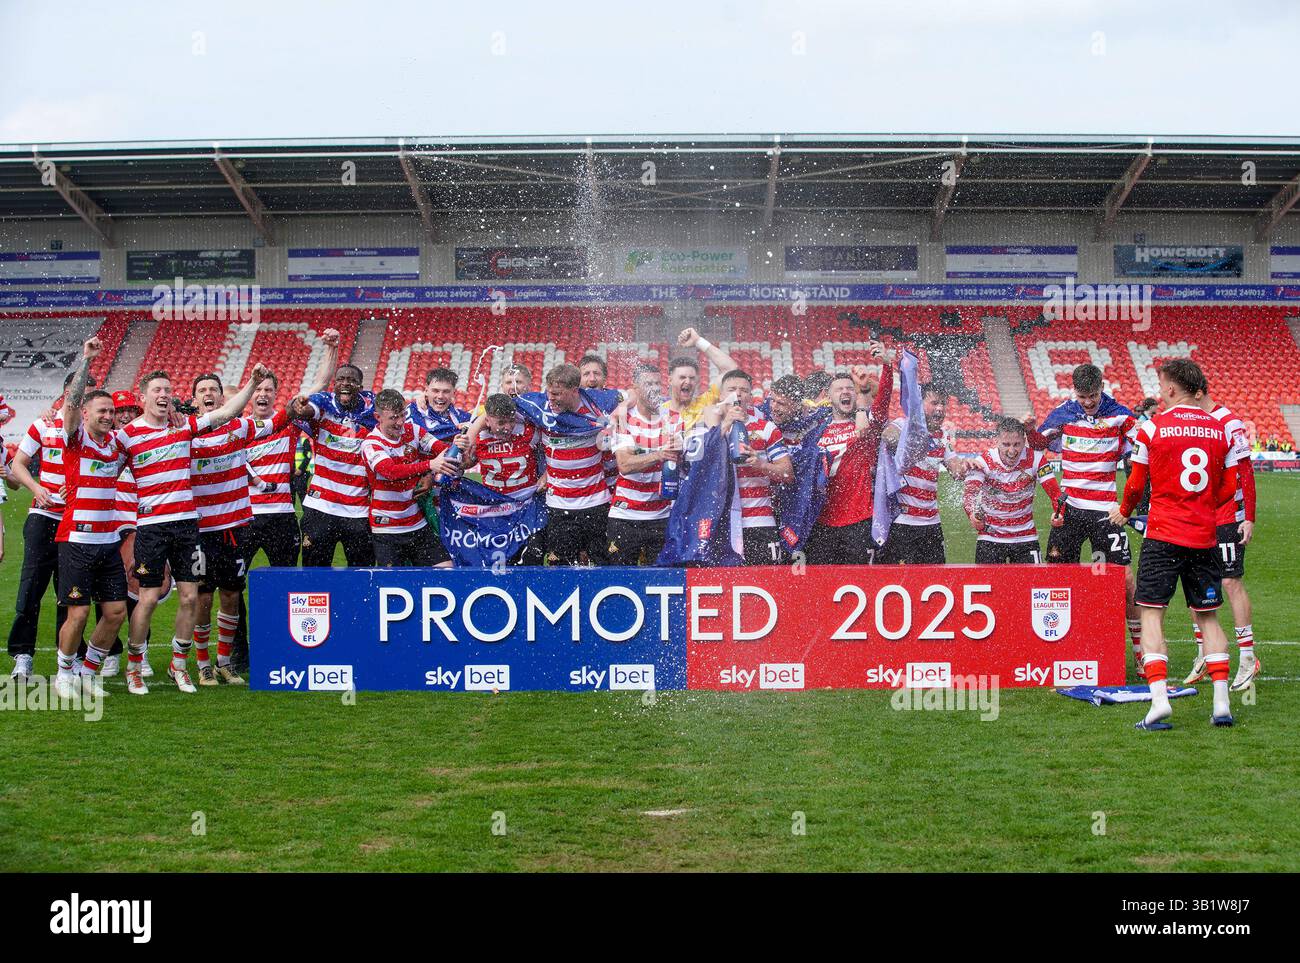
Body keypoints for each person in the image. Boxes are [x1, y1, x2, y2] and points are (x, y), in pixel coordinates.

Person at [116, 363, 266, 694]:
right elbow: (103, 468)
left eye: (167, 391)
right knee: (149, 598)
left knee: (189, 598)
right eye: (156, 390)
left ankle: (179, 666)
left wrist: (253, 383)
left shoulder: (184, 429)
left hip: (186, 526)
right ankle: (134, 667)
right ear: (144, 396)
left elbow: (227, 412)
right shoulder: (127, 436)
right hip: (152, 527)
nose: (163, 395)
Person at [1109, 359, 1244, 729]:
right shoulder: (1221, 430)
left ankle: (1158, 703)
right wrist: (1204, 508)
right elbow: (1230, 488)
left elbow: (1136, 485)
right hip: (1204, 536)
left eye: (1160, 384)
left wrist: (1124, 510)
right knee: (1208, 616)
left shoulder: (1151, 429)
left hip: (1163, 535)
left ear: (1170, 388)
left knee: (1152, 613)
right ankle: (1221, 703)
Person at [1027, 363, 1142, 667]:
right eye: (1082, 396)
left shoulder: (1120, 415)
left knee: (1124, 581)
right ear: (1074, 392)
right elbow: (1038, 446)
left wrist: (1132, 502)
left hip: (1107, 512)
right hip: (1070, 510)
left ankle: (1142, 652)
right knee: (1058, 579)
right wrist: (1028, 429)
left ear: (1101, 389)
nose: (1088, 402)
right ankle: (1058, 649)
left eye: (1092, 396)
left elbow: (1145, 448)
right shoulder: (1064, 412)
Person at [187, 373, 292, 685]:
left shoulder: (239, 428)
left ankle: (224, 662)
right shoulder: (184, 432)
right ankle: (203, 663)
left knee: (231, 594)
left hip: (235, 526)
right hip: (201, 530)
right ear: (195, 400)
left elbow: (281, 418)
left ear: (223, 399)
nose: (208, 394)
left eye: (214, 391)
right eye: (201, 390)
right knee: (203, 598)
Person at [51, 340, 128, 699]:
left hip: (107, 542)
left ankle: (88, 672)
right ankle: (64, 672)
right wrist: (86, 360)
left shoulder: (117, 444)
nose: (108, 416)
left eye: (111, 412)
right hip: (76, 542)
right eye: (101, 411)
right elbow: (69, 402)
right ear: (86, 414)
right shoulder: (76, 439)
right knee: (78, 614)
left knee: (114, 613)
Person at [6, 368, 92, 679]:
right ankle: (23, 655)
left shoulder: (94, 430)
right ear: (65, 393)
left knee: (70, 592)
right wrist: (37, 488)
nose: (78, 401)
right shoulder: (42, 424)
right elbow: (18, 464)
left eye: (83, 397)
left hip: (77, 519)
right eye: (75, 394)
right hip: (44, 516)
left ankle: (70, 657)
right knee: (31, 588)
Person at [1183, 386, 1258, 691]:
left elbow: (1245, 470)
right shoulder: (1194, 422)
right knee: (1194, 582)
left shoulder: (1229, 422)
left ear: (1198, 394)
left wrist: (1248, 516)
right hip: (1200, 516)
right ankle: (1204, 652)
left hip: (1228, 515)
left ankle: (1248, 657)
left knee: (1230, 582)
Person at [515, 363, 624, 566]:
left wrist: (618, 414)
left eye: (557, 394)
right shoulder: (540, 405)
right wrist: (470, 432)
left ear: (575, 390)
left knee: (603, 566)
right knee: (560, 569)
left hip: (596, 504)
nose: (551, 398)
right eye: (549, 392)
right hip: (559, 507)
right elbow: (498, 407)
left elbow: (633, 395)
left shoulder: (597, 403)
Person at [290, 347, 378, 568]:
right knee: (315, 575)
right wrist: (303, 406)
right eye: (340, 379)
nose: (345, 383)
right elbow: (307, 410)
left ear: (360, 385)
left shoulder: (372, 412)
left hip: (358, 510)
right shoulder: (324, 406)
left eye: (351, 380)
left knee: (362, 576)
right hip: (321, 507)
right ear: (334, 384)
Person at [805, 349, 894, 566]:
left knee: (862, 581)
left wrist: (887, 365)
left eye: (849, 388)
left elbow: (882, 402)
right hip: (822, 520)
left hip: (858, 519)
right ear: (828, 396)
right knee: (824, 584)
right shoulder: (816, 432)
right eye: (839, 389)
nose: (845, 392)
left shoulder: (865, 426)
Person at [699, 368, 794, 565]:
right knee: (723, 586)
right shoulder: (706, 428)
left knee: (768, 583)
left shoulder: (767, 428)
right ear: (721, 395)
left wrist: (761, 465)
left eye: (743, 390)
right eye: (732, 389)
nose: (738, 394)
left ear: (751, 397)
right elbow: (699, 471)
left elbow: (787, 474)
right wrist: (725, 425)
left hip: (759, 523)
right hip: (720, 523)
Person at [362, 389, 461, 567]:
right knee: (393, 585)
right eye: (393, 417)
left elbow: (441, 450)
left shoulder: (413, 430)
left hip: (417, 523)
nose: (400, 422)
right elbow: (390, 472)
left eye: (402, 415)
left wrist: (458, 446)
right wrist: (429, 465)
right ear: (378, 417)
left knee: (446, 569)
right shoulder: (371, 443)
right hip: (386, 527)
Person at [879, 383, 967, 563]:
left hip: (932, 523)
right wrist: (911, 441)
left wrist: (969, 465)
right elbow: (888, 436)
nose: (940, 409)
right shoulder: (905, 425)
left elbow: (957, 471)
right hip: (902, 522)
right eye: (934, 403)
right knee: (898, 582)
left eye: (943, 404)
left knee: (935, 579)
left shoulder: (942, 438)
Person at [607, 364, 682, 565]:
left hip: (662, 516)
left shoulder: (674, 419)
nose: (654, 388)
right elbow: (625, 465)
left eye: (657, 383)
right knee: (619, 579)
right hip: (625, 515)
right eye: (648, 383)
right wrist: (659, 454)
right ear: (636, 388)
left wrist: (682, 451)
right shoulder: (624, 419)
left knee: (660, 582)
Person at [461, 393, 548, 564]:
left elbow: (553, 449)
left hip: (527, 506)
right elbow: (467, 464)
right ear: (487, 420)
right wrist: (463, 456)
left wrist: (546, 474)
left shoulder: (528, 432)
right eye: (501, 422)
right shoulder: (478, 437)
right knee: (501, 561)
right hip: (496, 509)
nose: (507, 427)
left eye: (511, 421)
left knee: (533, 556)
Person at [963, 417, 1064, 563]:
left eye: (1017, 444)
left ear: (1024, 441)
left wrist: (1058, 513)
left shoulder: (1037, 459)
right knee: (989, 585)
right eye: (1006, 444)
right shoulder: (984, 461)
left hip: (1026, 537)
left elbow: (1055, 494)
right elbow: (969, 495)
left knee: (1032, 584)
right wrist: (971, 514)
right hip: (990, 537)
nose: (1011, 451)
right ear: (997, 441)